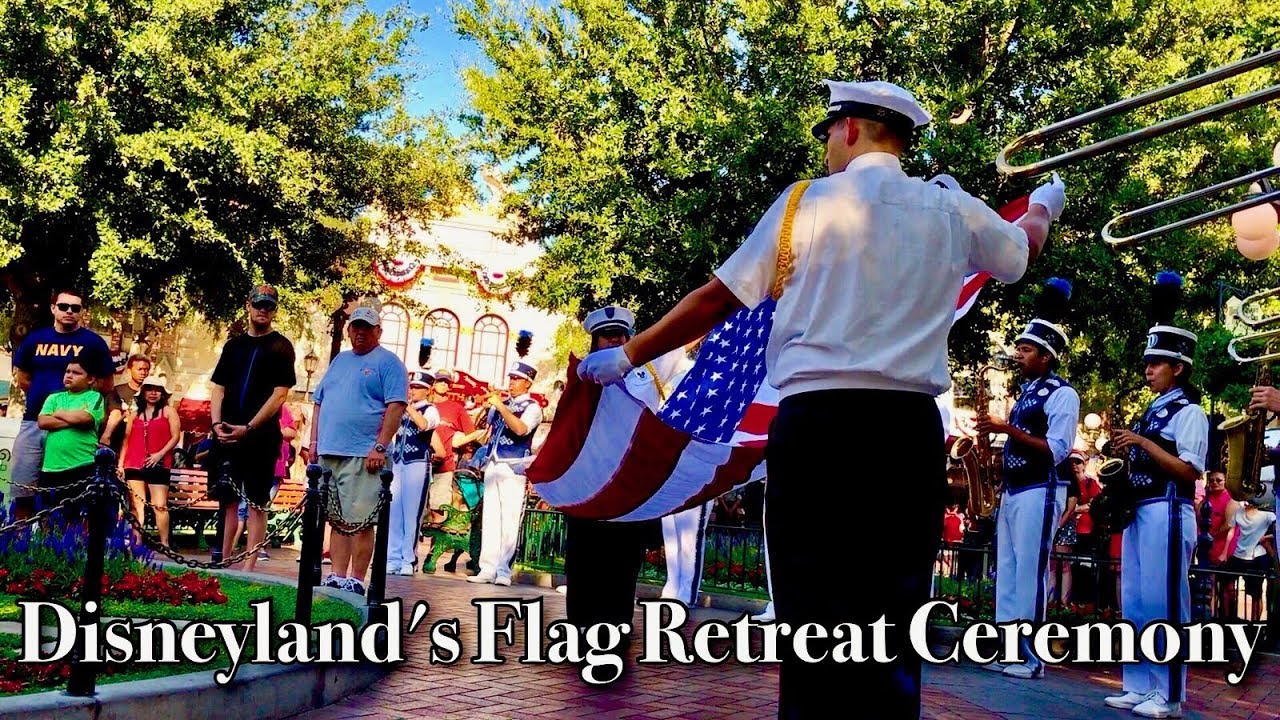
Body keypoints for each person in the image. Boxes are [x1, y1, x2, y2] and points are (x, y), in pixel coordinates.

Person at [575, 78, 1064, 717]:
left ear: (853, 128)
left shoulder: (807, 201)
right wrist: (1044, 204)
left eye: (830, 130)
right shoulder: (953, 207)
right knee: (894, 607)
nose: (828, 143)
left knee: (811, 604)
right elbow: (1021, 251)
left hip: (819, 422)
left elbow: (718, 297)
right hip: (905, 427)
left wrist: (628, 354)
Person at [1103, 271, 1209, 718]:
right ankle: (1137, 684)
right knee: (1137, 600)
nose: (1147, 370)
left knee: (1165, 602)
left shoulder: (1190, 412)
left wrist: (1143, 443)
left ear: (1178, 368)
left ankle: (1166, 695)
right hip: (1141, 511)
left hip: (1169, 509)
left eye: (1157, 364)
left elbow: (1190, 469)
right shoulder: (1152, 410)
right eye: (1148, 363)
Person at [560, 306, 679, 673]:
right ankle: (581, 630)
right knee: (584, 560)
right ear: (595, 341)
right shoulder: (585, 373)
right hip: (589, 480)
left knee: (623, 561)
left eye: (621, 335)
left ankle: (616, 629)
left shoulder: (646, 376)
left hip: (626, 483)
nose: (616, 341)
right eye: (608, 336)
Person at [976, 278, 1080, 680]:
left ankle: (1031, 656)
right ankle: (1006, 649)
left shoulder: (1062, 393)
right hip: (1015, 491)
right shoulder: (1025, 393)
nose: (1018, 354)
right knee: (1008, 568)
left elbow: (1056, 449)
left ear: (1047, 355)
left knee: (1030, 572)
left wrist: (1007, 429)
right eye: (1019, 347)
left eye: (1026, 349)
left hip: (1042, 489)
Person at [311, 304, 408, 595]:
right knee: (338, 520)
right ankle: (338, 575)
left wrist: (380, 446)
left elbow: (396, 406)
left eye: (367, 327)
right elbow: (319, 403)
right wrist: (314, 443)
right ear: (349, 329)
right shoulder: (339, 361)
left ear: (378, 330)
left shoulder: (388, 363)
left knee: (362, 520)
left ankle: (356, 577)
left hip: (364, 454)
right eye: (356, 326)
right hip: (331, 451)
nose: (360, 332)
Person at [207, 285, 296, 572]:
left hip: (260, 437)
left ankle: (249, 566)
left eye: (268, 306)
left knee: (257, 503)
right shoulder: (234, 346)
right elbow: (218, 388)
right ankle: (225, 558)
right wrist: (216, 424)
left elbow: (279, 394)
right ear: (248, 305)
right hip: (227, 434)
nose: (263, 310)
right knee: (228, 500)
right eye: (258, 304)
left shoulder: (281, 347)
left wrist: (249, 427)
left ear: (274, 310)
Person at [11, 288, 114, 518]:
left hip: (77, 432)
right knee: (23, 489)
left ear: (81, 312)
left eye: (75, 308)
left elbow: (106, 385)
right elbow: (23, 379)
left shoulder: (94, 343)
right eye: (64, 306)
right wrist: (51, 406)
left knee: (71, 498)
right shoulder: (35, 339)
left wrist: (67, 411)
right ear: (53, 308)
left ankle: (67, 548)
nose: (69, 311)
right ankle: (19, 545)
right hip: (33, 422)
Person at [466, 361, 543, 586]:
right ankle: (487, 568)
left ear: (528, 382)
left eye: (516, 379)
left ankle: (504, 570)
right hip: (493, 463)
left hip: (514, 466)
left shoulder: (533, 406)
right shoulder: (502, 403)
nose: (511, 383)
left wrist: (500, 406)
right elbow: (483, 427)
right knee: (490, 518)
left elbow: (520, 429)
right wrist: (487, 404)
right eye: (510, 378)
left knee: (509, 519)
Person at [35, 356, 109, 517]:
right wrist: (74, 419)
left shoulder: (95, 398)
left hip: (81, 467)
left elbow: (86, 418)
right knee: (48, 517)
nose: (69, 375)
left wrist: (59, 413)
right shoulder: (54, 398)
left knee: (76, 519)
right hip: (51, 467)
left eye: (76, 373)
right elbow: (42, 421)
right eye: (67, 371)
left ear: (90, 379)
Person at [118, 376, 181, 547]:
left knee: (159, 505)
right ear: (143, 392)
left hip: (158, 462)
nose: (153, 393)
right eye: (149, 389)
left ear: (162, 393)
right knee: (136, 505)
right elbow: (127, 439)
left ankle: (165, 543)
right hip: (133, 462)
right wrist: (121, 464)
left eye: (157, 389)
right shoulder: (134, 414)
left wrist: (160, 454)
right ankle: (136, 542)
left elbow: (175, 436)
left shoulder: (168, 411)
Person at [388, 371, 439, 576]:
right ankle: (392, 557)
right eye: (411, 386)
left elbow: (424, 425)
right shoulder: (401, 409)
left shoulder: (431, 410)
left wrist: (407, 407)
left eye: (418, 387)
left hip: (417, 463)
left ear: (428, 390)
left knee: (412, 513)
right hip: (398, 463)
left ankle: (408, 559)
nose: (413, 390)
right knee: (394, 512)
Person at [1219, 500, 1276, 622]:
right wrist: (1224, 552)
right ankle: (1227, 618)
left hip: (1255, 556)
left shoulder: (1266, 514)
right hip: (1238, 554)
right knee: (1224, 582)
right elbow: (1232, 530)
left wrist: (1265, 538)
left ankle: (1254, 625)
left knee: (1256, 594)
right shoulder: (1239, 511)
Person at [101, 354, 153, 453]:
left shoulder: (152, 395)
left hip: (140, 444)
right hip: (116, 441)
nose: (143, 373)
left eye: (146, 370)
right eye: (140, 369)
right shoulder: (116, 391)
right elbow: (111, 415)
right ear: (129, 370)